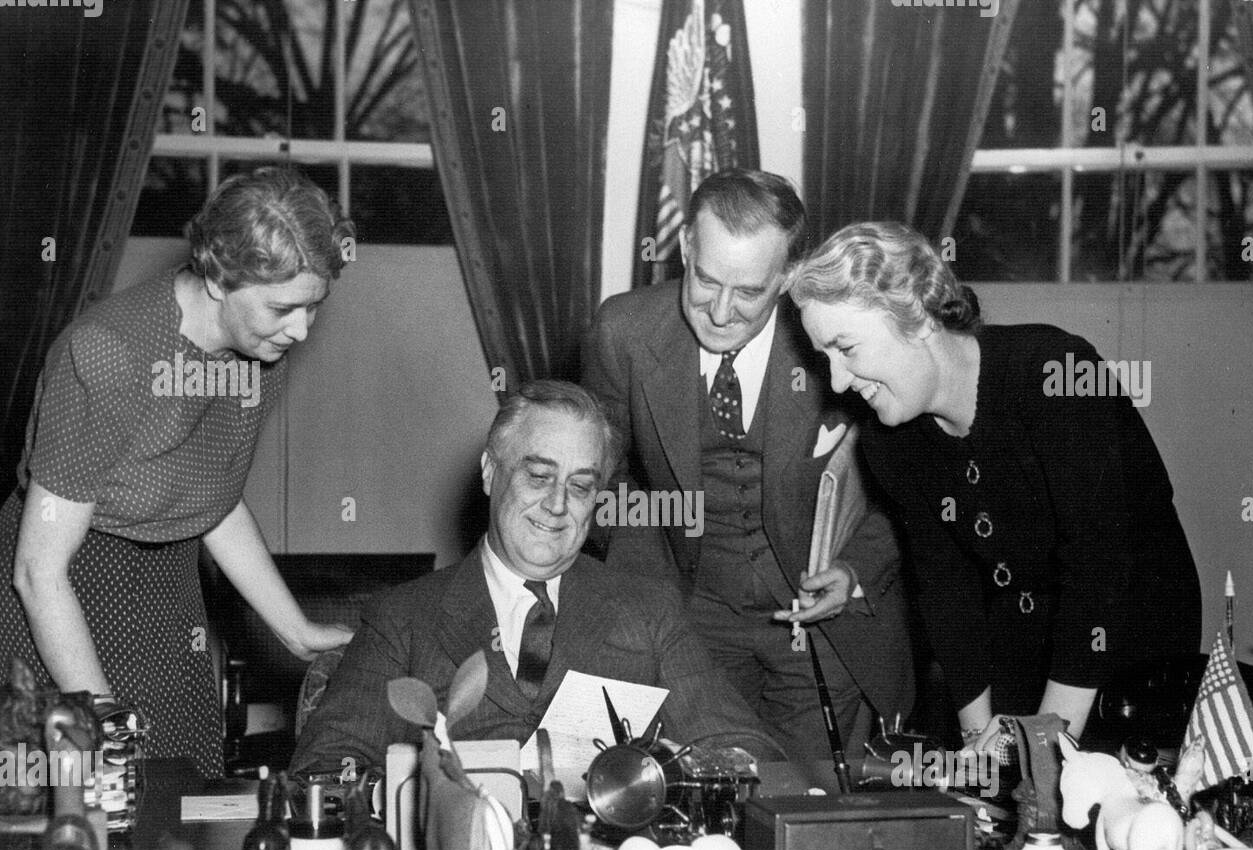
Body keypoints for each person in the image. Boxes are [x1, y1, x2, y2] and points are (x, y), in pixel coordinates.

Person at [788, 221, 1203, 751]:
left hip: (1135, 658)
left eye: (846, 348)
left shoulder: (1057, 372)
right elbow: (947, 592)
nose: (840, 381)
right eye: (826, 359)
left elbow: (1099, 577)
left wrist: (1037, 751)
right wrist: (979, 740)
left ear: (915, 316)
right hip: (1025, 660)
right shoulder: (890, 442)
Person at [0, 166, 356, 779]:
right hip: (65, 581)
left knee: (179, 793)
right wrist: (102, 717)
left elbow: (212, 500)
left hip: (166, 583)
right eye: (283, 308)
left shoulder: (259, 353)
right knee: (82, 801)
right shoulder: (108, 354)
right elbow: (38, 571)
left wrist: (294, 630)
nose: (300, 330)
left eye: (313, 307)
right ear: (218, 275)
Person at [582, 169, 913, 766]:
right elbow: (600, 479)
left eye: (750, 293)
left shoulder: (836, 341)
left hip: (819, 630)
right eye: (705, 280)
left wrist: (856, 569)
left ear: (787, 277)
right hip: (691, 619)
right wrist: (657, 596)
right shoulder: (623, 332)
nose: (720, 310)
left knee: (807, 816)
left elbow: (906, 486)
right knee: (708, 804)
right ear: (685, 247)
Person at [290, 380, 785, 778]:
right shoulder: (402, 618)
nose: (556, 505)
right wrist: (424, 792)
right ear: (490, 472)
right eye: (538, 476)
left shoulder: (649, 611)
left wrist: (669, 769)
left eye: (581, 486)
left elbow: (747, 751)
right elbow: (326, 769)